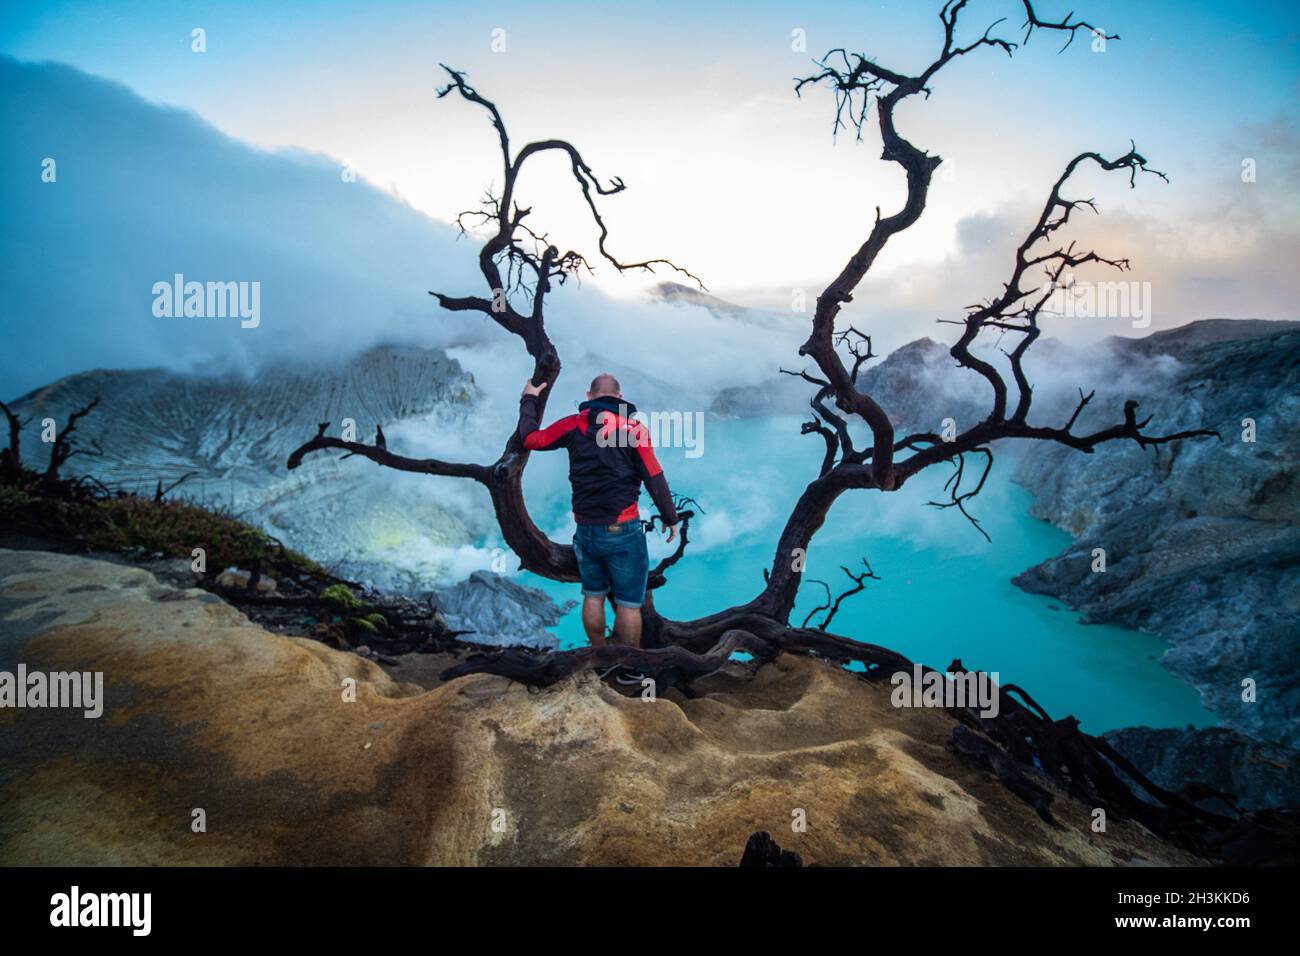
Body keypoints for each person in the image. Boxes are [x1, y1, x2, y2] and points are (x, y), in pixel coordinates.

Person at [517, 372, 679, 649]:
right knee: (629, 604)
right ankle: (627, 666)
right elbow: (653, 475)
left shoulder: (573, 425)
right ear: (619, 397)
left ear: (589, 396)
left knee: (593, 596)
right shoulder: (633, 431)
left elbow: (531, 439)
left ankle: (600, 656)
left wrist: (529, 399)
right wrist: (670, 517)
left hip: (586, 529)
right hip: (624, 529)